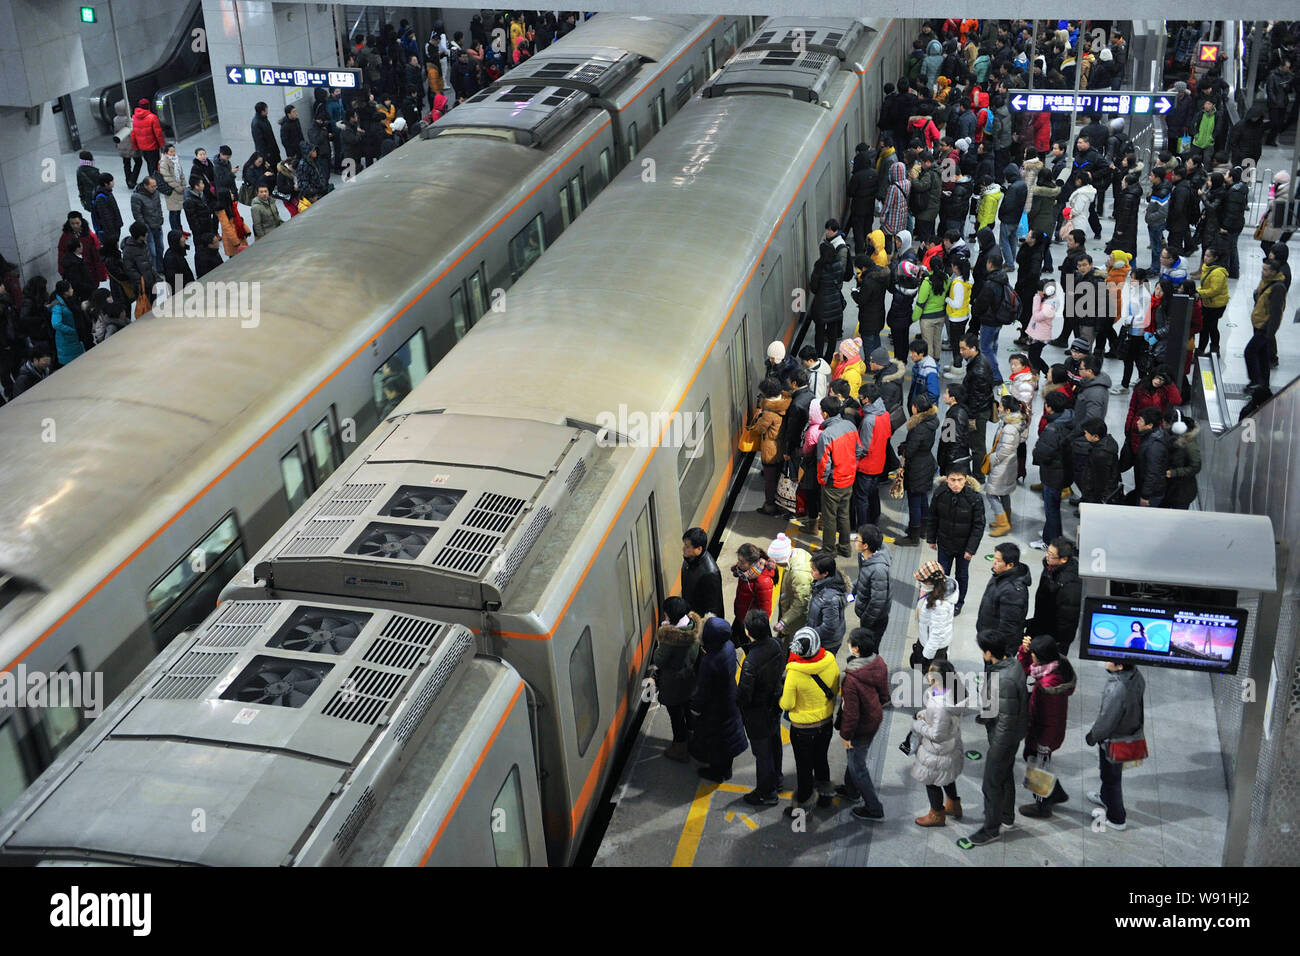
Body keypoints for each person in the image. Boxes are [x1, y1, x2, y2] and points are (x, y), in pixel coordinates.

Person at [965, 629, 1029, 846]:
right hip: (1011, 735)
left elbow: (1006, 719)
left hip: (1003, 738)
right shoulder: (1013, 664)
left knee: (991, 783)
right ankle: (1007, 817)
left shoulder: (1002, 679)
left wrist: (997, 748)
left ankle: (991, 829)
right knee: (1005, 775)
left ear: (989, 652)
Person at [780, 627, 840, 817]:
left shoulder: (795, 673)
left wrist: (780, 699)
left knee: (804, 767)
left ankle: (803, 805)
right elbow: (836, 688)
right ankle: (825, 796)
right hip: (826, 723)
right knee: (821, 759)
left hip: (803, 730)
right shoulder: (830, 661)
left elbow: (787, 704)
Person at [1016, 634, 1076, 817]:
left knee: (1039, 765)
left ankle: (1043, 806)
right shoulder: (1050, 667)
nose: (1031, 657)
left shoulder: (1050, 684)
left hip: (1045, 734)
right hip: (1040, 730)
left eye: (1033, 653)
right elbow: (1024, 669)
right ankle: (1056, 793)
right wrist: (1023, 652)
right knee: (1032, 758)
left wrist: (1044, 743)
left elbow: (1052, 718)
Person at [1085, 660, 1146, 830]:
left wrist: (1093, 736)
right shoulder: (1136, 675)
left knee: (1111, 778)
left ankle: (1116, 818)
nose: (1106, 661)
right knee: (1111, 775)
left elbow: (1107, 719)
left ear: (1119, 667)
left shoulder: (1118, 688)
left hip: (1114, 740)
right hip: (1128, 733)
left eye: (1110, 660)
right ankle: (1105, 798)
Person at [838, 628, 890, 821]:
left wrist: (846, 736)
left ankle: (874, 808)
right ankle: (850, 790)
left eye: (850, 643)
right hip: (874, 717)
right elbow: (885, 694)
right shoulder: (878, 662)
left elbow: (851, 715)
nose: (848, 645)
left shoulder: (851, 679)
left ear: (857, 649)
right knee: (854, 758)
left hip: (861, 727)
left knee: (857, 765)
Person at [734, 609, 785, 805]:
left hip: (757, 714)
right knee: (775, 742)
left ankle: (767, 792)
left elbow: (745, 695)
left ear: (748, 632)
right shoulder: (777, 644)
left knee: (762, 753)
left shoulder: (751, 662)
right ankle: (777, 779)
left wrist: (740, 707)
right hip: (775, 704)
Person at [689, 617, 748, 782]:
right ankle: (726, 770)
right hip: (730, 698)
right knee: (728, 736)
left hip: (715, 706)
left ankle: (716, 772)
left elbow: (704, 689)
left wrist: (696, 708)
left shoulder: (710, 661)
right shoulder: (728, 646)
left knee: (716, 741)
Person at [911, 658, 966, 827]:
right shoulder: (953, 690)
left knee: (931, 780)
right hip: (950, 746)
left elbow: (937, 734)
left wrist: (919, 725)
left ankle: (936, 814)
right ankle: (953, 804)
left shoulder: (942, 705)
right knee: (946, 776)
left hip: (937, 750)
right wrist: (925, 714)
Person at [925, 464, 983, 614]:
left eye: (960, 480)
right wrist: (931, 538)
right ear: (947, 480)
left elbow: (978, 526)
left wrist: (971, 549)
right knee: (942, 574)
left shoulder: (974, 498)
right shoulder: (940, 493)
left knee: (962, 575)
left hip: (964, 547)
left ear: (965, 480)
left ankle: (958, 602)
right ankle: (941, 597)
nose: (956, 484)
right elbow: (933, 517)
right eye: (952, 480)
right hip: (944, 543)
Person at [650, 596, 701, 763]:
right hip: (690, 679)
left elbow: (659, 660)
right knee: (688, 709)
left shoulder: (670, 639)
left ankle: (680, 748)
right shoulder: (694, 627)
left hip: (673, 684)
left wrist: (661, 640)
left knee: (676, 716)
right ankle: (693, 738)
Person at [816, 396, 858, 557]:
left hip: (833, 482)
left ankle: (828, 550)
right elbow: (859, 450)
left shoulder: (826, 435)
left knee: (829, 517)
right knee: (844, 514)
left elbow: (823, 463)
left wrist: (822, 480)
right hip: (849, 478)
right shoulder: (850, 425)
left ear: (825, 414)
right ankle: (845, 547)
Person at [1030, 391, 1073, 549]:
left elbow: (1042, 452)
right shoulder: (1070, 418)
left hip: (1053, 474)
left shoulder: (1052, 429)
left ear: (1048, 407)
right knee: (1053, 507)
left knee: (1051, 509)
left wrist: (1035, 451)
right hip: (1064, 470)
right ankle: (1050, 533)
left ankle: (1051, 542)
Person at [896, 393, 938, 546]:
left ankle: (913, 536)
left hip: (917, 467)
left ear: (916, 409)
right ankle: (923, 530)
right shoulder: (931, 421)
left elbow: (912, 448)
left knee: (914, 501)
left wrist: (903, 449)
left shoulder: (919, 427)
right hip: (927, 463)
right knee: (922, 498)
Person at [1068, 355, 1111, 502]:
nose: (1079, 371)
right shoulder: (1090, 385)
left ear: (1090, 371)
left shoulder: (1095, 393)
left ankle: (1088, 500)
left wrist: (1075, 433)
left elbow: (1092, 419)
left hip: (1084, 439)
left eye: (1081, 368)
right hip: (1081, 435)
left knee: (1081, 473)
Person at [983, 395, 1023, 538]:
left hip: (1002, 466)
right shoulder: (1009, 423)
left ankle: (1003, 523)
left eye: (1000, 406)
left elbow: (1004, 450)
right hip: (1007, 465)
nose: (998, 408)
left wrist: (993, 458)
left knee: (991, 493)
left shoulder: (1009, 428)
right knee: (1004, 492)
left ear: (1006, 410)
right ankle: (1007, 518)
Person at [1245, 259, 1286, 395]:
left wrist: (1269, 333)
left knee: (1249, 351)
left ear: (1274, 272)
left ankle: (1255, 381)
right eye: (1262, 269)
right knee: (1263, 356)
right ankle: (1264, 385)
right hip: (1258, 323)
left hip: (1265, 327)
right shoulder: (1265, 281)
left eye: (1266, 270)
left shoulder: (1278, 287)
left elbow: (1276, 313)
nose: (1263, 272)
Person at [957, 332, 994, 466]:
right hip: (980, 408)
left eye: (963, 349)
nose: (961, 352)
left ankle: (979, 475)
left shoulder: (978, 370)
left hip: (978, 413)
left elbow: (977, 398)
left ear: (973, 348)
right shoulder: (977, 360)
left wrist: (971, 417)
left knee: (977, 447)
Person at [771, 535, 813, 645]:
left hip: (798, 615)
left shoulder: (799, 574)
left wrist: (784, 622)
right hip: (789, 600)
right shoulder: (797, 552)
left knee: (796, 638)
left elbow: (801, 603)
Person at [915, 560, 958, 664]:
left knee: (936, 676)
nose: (921, 583)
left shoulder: (940, 605)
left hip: (935, 648)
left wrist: (927, 656)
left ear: (930, 582)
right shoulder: (935, 588)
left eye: (923, 581)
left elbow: (937, 634)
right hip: (925, 638)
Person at [806, 551, 848, 655]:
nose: (811, 572)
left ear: (825, 573)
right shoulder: (822, 584)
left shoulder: (830, 598)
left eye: (814, 570)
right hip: (820, 637)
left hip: (827, 644)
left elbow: (829, 627)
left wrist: (809, 635)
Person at [680, 527, 724, 619]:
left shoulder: (710, 573)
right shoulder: (689, 560)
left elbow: (713, 608)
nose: (683, 548)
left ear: (699, 549)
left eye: (687, 546)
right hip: (691, 614)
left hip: (700, 621)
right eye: (684, 544)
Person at [1162, 409, 1201, 510]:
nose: (1163, 425)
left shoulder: (1188, 442)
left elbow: (1196, 466)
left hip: (1182, 492)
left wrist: (1175, 472)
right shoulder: (1169, 437)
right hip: (1169, 488)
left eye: (1165, 423)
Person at [1132, 407, 1170, 507]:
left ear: (1149, 425)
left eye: (1140, 420)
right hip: (1146, 488)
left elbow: (1152, 473)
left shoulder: (1154, 446)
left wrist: (1145, 496)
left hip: (1151, 494)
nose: (1137, 422)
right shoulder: (1151, 435)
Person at [129, 176, 166, 274]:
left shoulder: (156, 193)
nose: (155, 188)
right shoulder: (136, 197)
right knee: (152, 252)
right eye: (152, 186)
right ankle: (153, 272)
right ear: (145, 186)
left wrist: (161, 218)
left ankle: (160, 268)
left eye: (155, 186)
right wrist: (145, 227)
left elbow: (159, 207)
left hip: (158, 225)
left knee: (160, 248)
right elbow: (137, 214)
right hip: (148, 229)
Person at [49, 281, 85, 367]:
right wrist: (72, 331)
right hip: (67, 342)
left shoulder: (68, 301)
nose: (72, 290)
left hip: (74, 340)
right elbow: (56, 324)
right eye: (70, 288)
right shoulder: (58, 306)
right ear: (65, 292)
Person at [91, 173, 123, 249]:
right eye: (111, 181)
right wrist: (113, 235)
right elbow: (105, 217)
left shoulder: (107, 192)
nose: (113, 182)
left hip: (114, 228)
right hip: (109, 232)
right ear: (106, 184)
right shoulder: (101, 197)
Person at [161, 229, 193, 294]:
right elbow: (176, 282)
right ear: (176, 241)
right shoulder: (171, 259)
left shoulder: (178, 251)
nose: (184, 239)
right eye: (181, 237)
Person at [251, 102, 281, 167]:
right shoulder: (256, 123)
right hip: (268, 155)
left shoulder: (264, 119)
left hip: (273, 151)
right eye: (266, 109)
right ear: (262, 111)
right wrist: (266, 155)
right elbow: (259, 142)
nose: (268, 111)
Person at [76, 150, 101, 218]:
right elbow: (100, 185)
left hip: (88, 197)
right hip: (97, 196)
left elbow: (80, 186)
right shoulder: (95, 171)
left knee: (94, 215)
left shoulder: (79, 171)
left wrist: (82, 198)